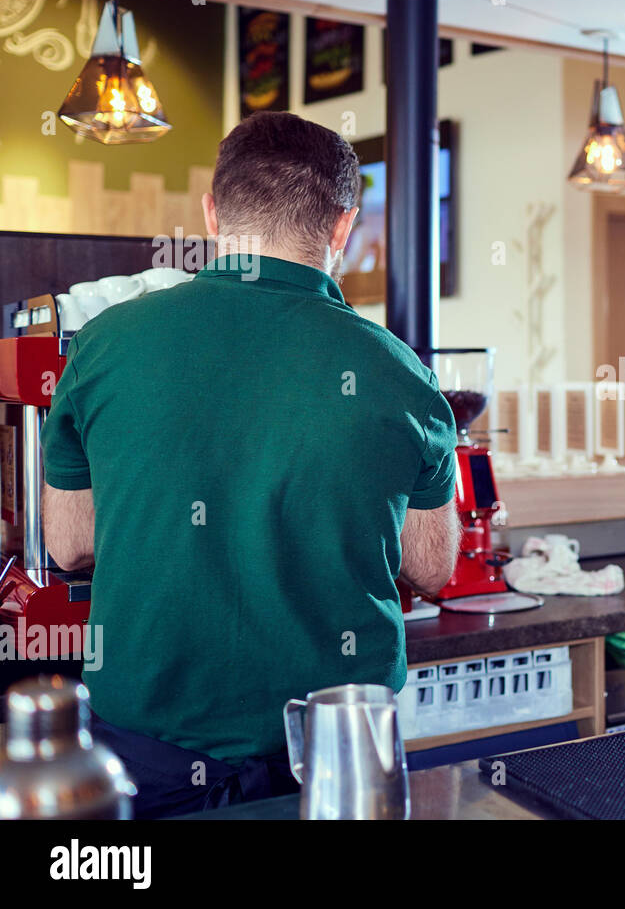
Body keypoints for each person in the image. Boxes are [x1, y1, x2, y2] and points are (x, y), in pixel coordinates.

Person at [40, 111, 461, 817]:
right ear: (342, 226)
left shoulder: (105, 345)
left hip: (149, 753)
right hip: (336, 753)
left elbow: (69, 544)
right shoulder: (398, 372)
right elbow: (432, 566)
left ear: (212, 214)